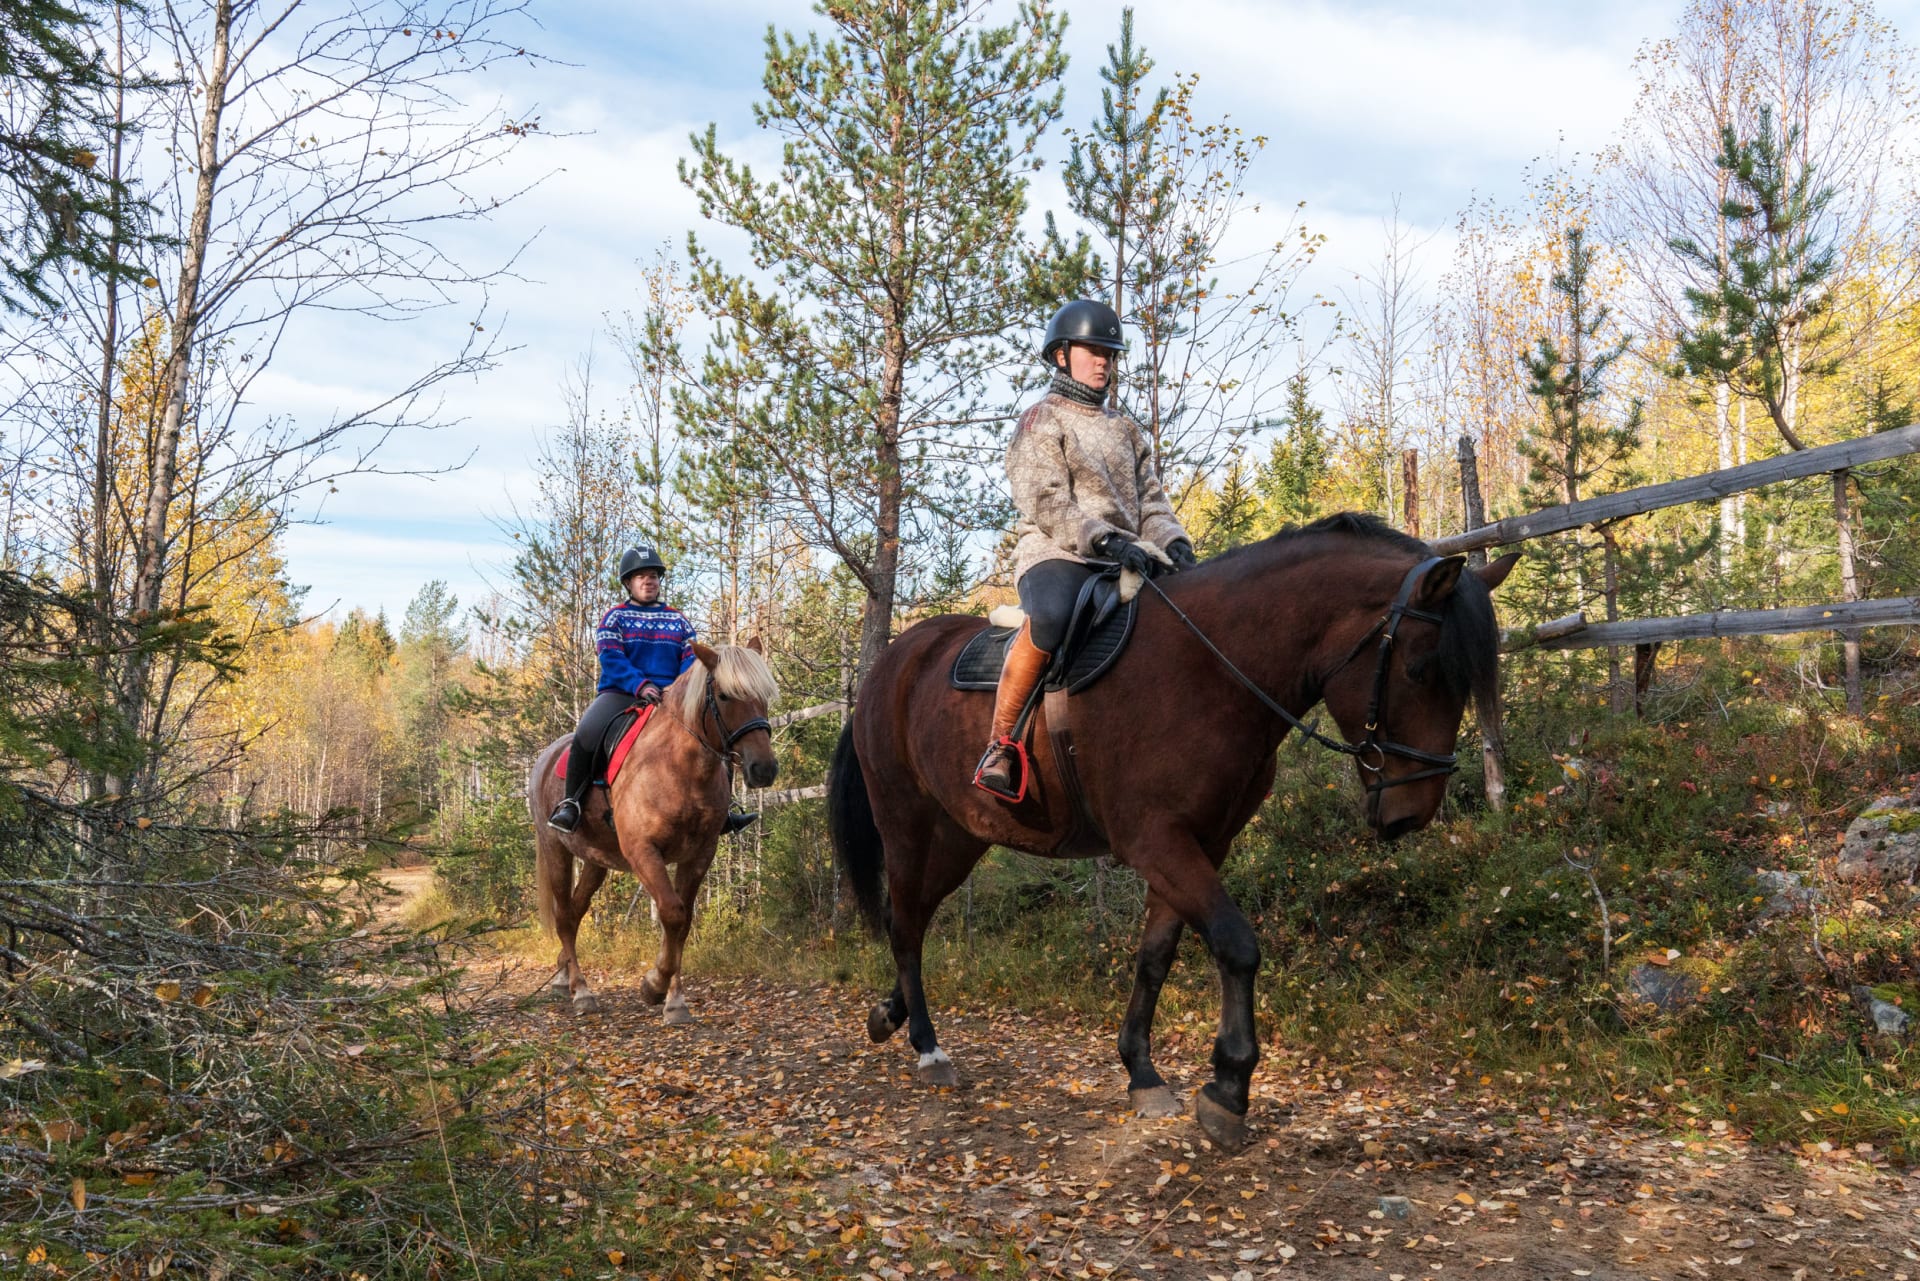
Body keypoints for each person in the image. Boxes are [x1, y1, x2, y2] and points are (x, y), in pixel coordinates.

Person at [973, 299, 1198, 801]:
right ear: (1061, 356)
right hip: (1058, 552)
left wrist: (1175, 544)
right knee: (1051, 616)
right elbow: (1045, 500)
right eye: (1093, 351)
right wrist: (1106, 538)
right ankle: (1001, 744)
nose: (1104, 362)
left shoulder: (1124, 428)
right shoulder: (1039, 420)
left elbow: (1152, 503)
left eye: (1110, 354)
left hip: (1128, 554)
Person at [548, 546, 757, 835]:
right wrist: (640, 684)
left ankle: (723, 810)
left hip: (671, 697)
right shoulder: (614, 618)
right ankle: (571, 803)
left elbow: (690, 660)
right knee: (587, 732)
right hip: (621, 692)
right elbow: (611, 657)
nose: (649, 581)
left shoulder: (678, 620)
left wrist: (677, 689)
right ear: (628, 583)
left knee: (715, 734)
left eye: (654, 576)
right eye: (641, 576)